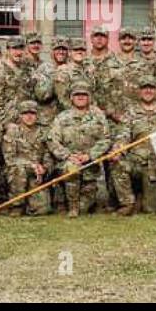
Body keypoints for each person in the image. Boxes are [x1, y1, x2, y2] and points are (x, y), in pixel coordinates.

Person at [110, 76, 156, 215]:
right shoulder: (131, 112)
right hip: (136, 161)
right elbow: (123, 134)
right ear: (140, 91)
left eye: (151, 88)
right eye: (145, 88)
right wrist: (118, 150)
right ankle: (127, 203)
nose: (148, 91)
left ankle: (144, 199)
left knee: (150, 210)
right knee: (118, 164)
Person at [47, 82, 112, 218]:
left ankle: (79, 204)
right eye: (77, 95)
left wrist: (90, 155)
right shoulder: (62, 117)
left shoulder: (98, 117)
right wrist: (68, 156)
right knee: (72, 168)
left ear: (89, 97)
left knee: (85, 207)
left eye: (84, 94)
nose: (80, 97)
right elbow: (52, 140)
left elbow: (106, 139)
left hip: (90, 165)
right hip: (69, 163)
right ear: (71, 98)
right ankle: (72, 207)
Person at [2, 101, 52, 217]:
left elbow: (49, 154)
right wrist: (31, 165)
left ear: (37, 115)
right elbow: (9, 159)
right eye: (25, 113)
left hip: (36, 174)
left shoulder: (44, 132)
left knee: (42, 209)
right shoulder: (13, 131)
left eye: (32, 113)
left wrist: (44, 168)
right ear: (20, 115)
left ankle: (30, 203)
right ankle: (16, 206)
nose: (29, 116)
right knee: (18, 170)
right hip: (16, 173)